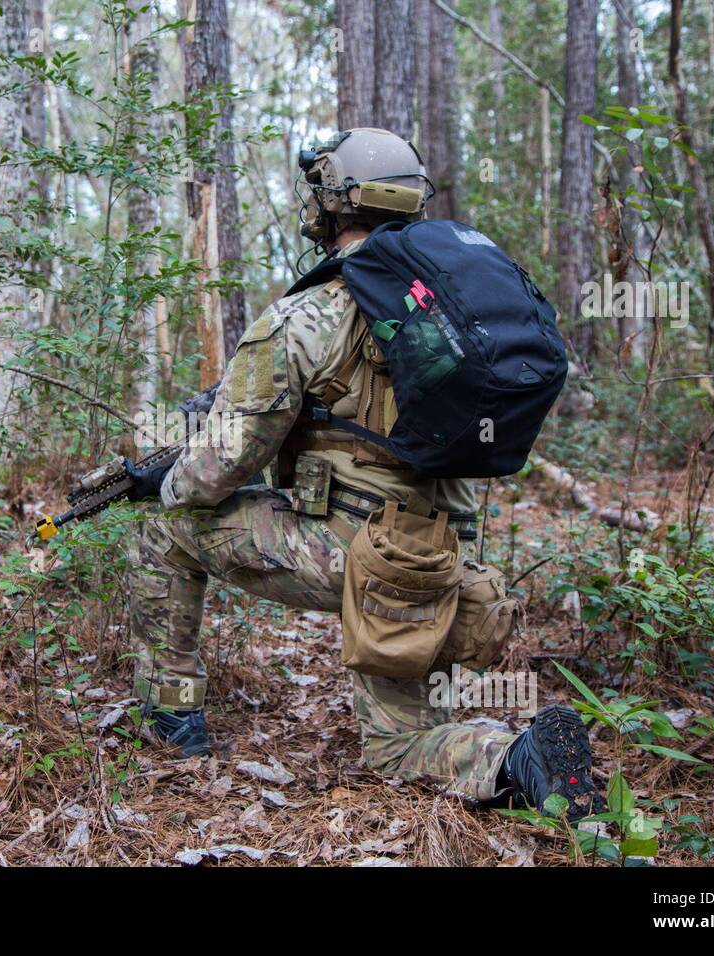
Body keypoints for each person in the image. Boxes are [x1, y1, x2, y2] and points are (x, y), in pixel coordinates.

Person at [124, 128, 603, 818]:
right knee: (403, 745)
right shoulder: (453, 311)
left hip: (353, 559)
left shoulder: (306, 315)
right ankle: (517, 759)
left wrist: (162, 479)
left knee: (164, 528)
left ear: (328, 205)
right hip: (444, 567)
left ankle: (173, 720)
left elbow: (217, 468)